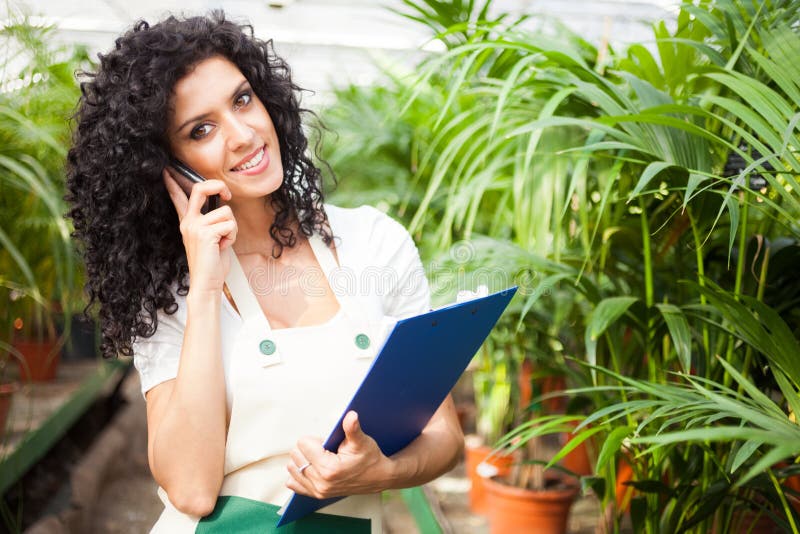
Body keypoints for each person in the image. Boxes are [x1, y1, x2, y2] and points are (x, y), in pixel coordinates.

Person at [65, 11, 463, 533]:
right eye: (201, 129)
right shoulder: (172, 293)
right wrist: (206, 284)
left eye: (242, 99)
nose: (243, 134)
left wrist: (384, 470)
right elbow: (190, 488)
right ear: (164, 167)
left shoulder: (375, 243)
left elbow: (445, 436)